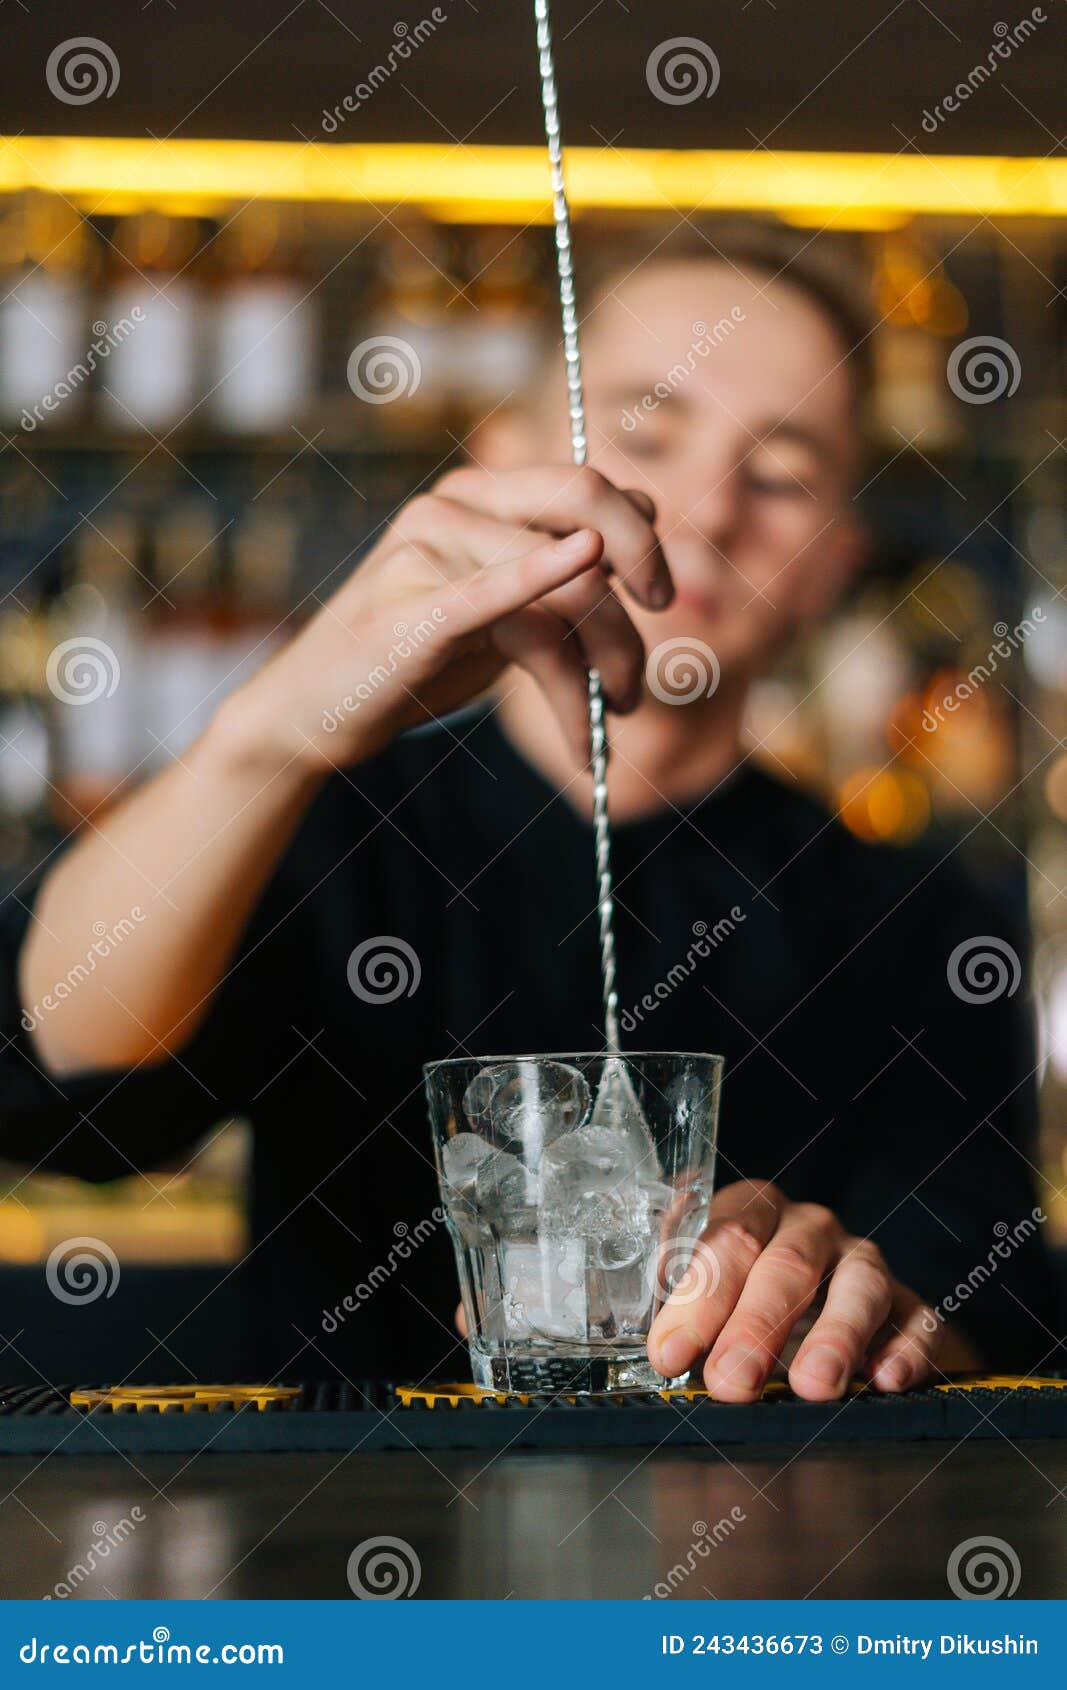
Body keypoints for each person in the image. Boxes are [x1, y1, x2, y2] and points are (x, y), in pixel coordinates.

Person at [1, 223, 1057, 1397]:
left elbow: (988, 1289)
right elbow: (59, 1099)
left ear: (832, 558)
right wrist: (271, 730)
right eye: (648, 431)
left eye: (782, 470)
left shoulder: (919, 918)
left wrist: (858, 1309)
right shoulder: (333, 831)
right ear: (502, 460)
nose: (703, 507)